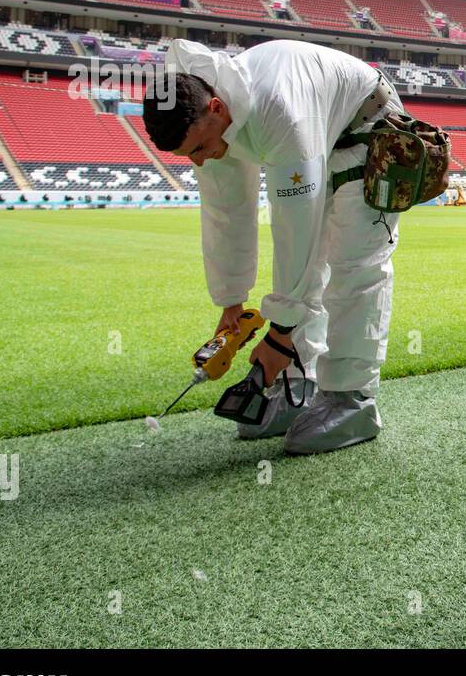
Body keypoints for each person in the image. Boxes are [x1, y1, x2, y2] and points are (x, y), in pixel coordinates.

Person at [144, 38, 403, 455]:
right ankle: (301, 385)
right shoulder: (212, 123)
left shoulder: (279, 109)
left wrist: (280, 334)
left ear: (216, 109)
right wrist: (231, 302)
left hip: (368, 130)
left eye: (197, 149)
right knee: (307, 266)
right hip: (321, 136)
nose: (197, 161)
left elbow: (295, 230)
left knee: (354, 263)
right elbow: (227, 214)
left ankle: (352, 399)